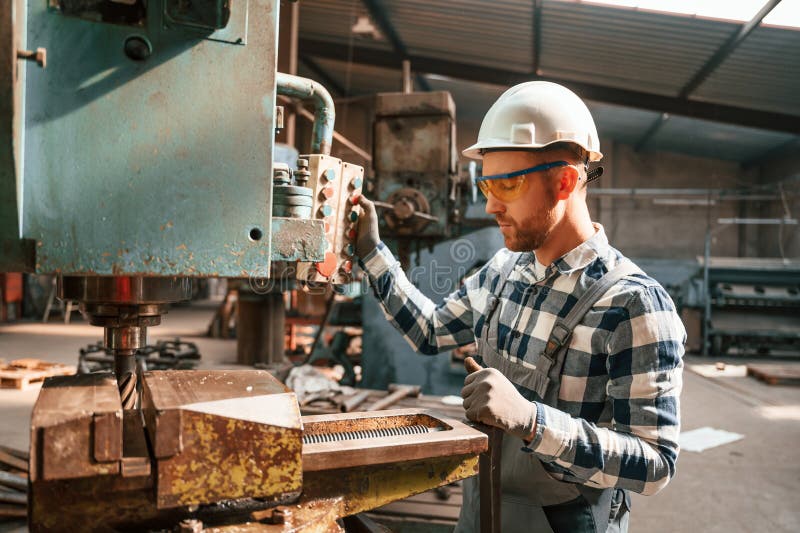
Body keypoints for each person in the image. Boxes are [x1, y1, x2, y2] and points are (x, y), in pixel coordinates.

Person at [355, 81, 685, 533]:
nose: (491, 205)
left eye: (508, 184)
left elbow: (655, 463)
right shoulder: (505, 270)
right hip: (482, 508)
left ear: (565, 180)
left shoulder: (633, 304)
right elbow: (431, 332)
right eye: (486, 184)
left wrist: (532, 421)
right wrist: (373, 252)